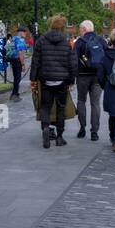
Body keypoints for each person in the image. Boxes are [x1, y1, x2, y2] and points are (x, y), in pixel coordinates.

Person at [30, 14, 76, 149]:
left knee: (45, 107)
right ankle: (60, 137)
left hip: (46, 79)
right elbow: (72, 63)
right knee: (61, 108)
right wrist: (71, 80)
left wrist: (33, 79)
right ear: (62, 27)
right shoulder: (66, 42)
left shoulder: (41, 40)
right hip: (61, 80)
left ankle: (45, 127)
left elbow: (35, 61)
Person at [73, 20, 106, 142]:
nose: (79, 31)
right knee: (95, 104)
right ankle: (94, 132)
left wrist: (73, 76)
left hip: (82, 76)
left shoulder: (79, 42)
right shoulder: (101, 41)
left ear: (85, 29)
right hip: (97, 77)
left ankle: (82, 128)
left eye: (80, 29)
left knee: (81, 101)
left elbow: (74, 60)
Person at [8, 26, 28, 102]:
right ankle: (15, 94)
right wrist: (23, 64)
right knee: (18, 78)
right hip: (17, 60)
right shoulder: (20, 40)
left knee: (16, 77)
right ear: (20, 32)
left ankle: (14, 93)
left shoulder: (13, 39)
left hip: (12, 60)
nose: (25, 34)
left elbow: (7, 48)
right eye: (24, 32)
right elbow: (21, 53)